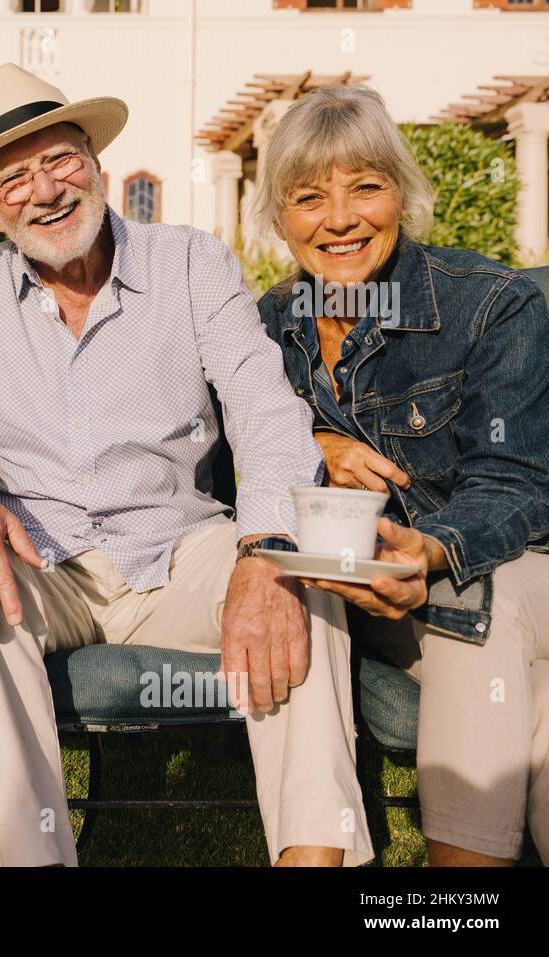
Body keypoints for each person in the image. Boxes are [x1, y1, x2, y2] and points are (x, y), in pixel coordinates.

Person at [0, 62, 370, 867]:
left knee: (303, 580)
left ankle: (313, 856)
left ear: (97, 164)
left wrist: (263, 551)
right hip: (41, 559)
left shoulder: (190, 262)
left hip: (179, 550)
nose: (44, 191)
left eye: (59, 162)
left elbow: (264, 407)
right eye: (13, 178)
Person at [251, 83, 549, 866]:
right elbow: (220, 462)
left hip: (510, 572)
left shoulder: (491, 305)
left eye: (366, 187)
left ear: (403, 193)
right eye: (309, 197)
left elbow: (516, 484)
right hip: (367, 600)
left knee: (472, 603)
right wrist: (312, 437)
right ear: (280, 218)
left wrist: (433, 550)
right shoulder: (263, 332)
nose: (339, 218)